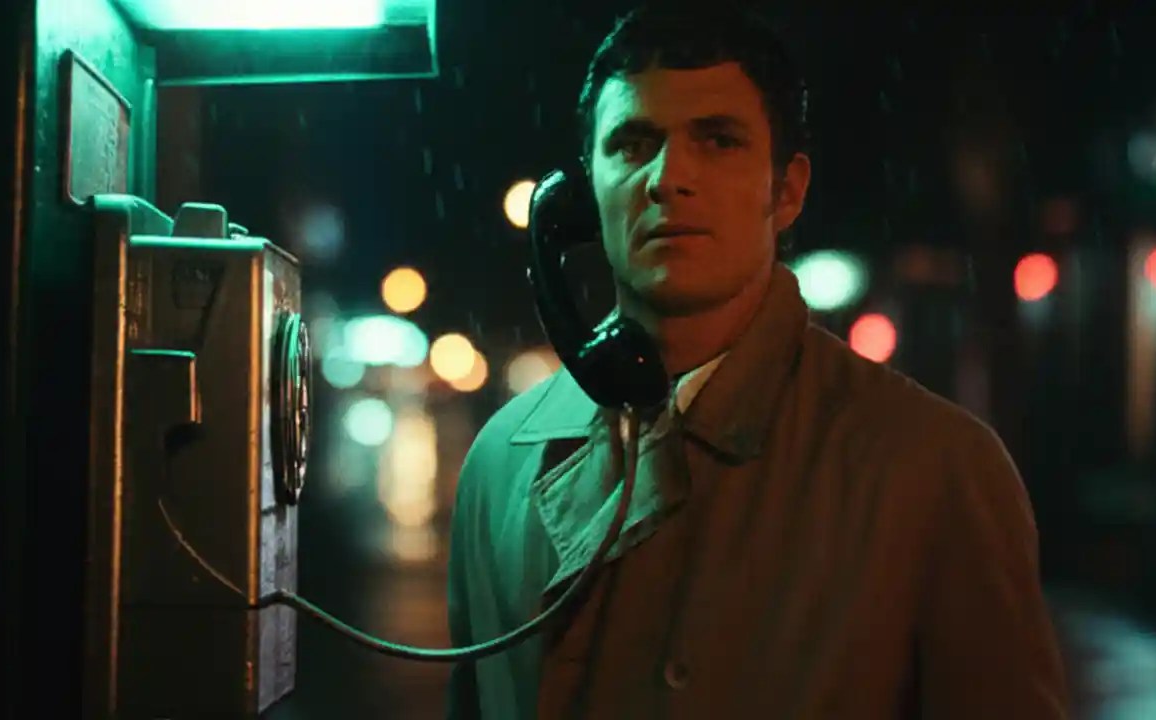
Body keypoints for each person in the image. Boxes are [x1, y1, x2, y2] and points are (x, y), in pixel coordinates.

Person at [446, 3, 1070, 718]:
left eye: (717, 141)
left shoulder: (933, 466)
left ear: (788, 190)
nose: (669, 176)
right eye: (632, 143)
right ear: (584, 192)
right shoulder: (501, 463)